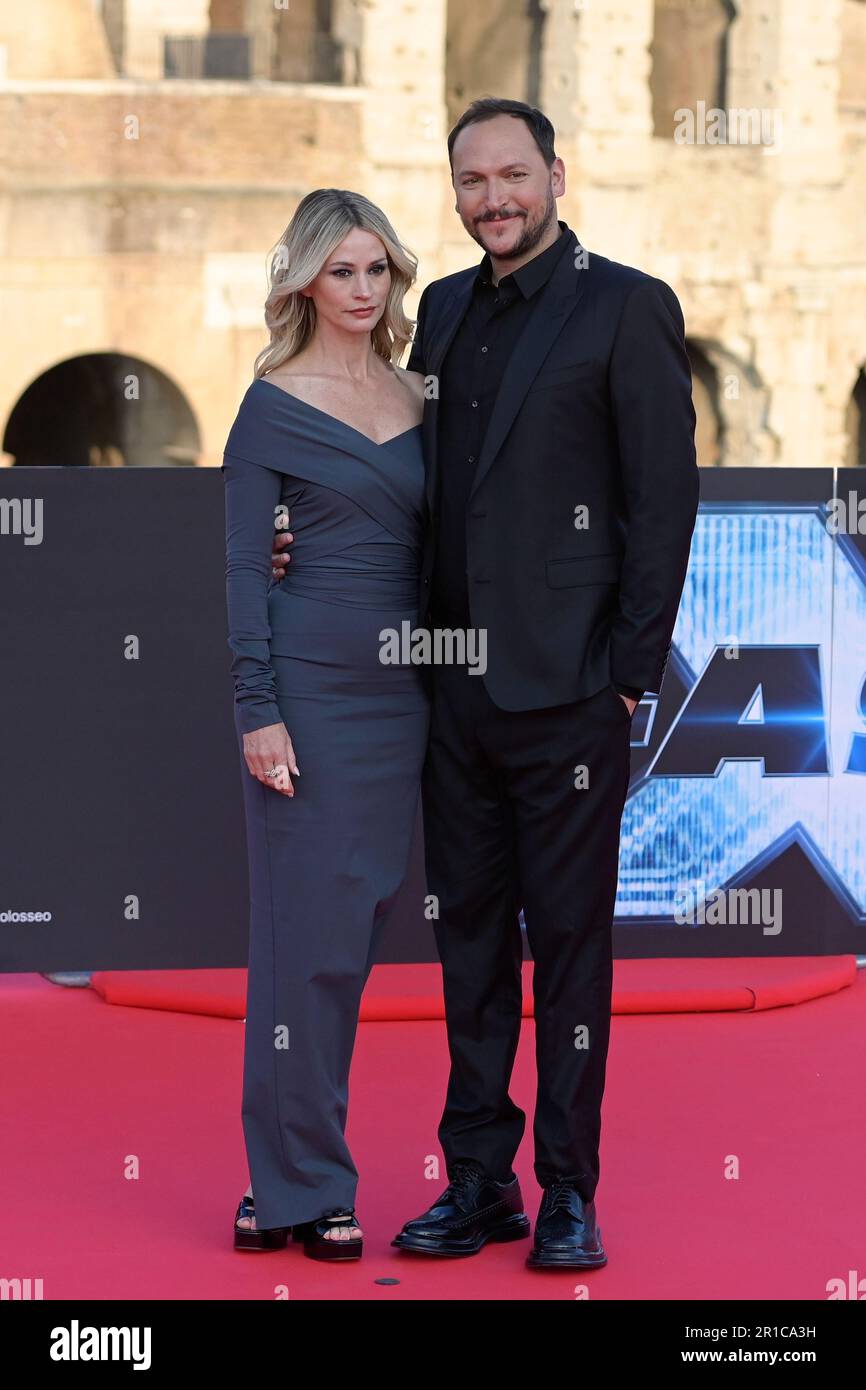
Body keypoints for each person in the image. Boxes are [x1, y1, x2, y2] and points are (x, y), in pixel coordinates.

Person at [272, 99, 700, 1269]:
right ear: (453, 194)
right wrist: (294, 532)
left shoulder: (624, 306)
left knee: (566, 949)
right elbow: (403, 475)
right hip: (449, 692)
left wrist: (623, 678)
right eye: (471, 182)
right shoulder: (446, 312)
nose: (491, 199)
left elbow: (662, 503)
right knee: (466, 949)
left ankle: (567, 1192)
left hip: (568, 697)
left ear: (555, 176)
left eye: (512, 176)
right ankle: (476, 1182)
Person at [223, 188, 429, 1260]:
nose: (361, 290)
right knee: (301, 950)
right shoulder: (270, 405)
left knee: (348, 946)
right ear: (304, 279)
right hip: (306, 697)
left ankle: (283, 1179)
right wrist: (258, 712)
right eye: (340, 270)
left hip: (412, 700)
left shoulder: (419, 395)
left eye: (376, 270)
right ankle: (303, 1183)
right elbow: (241, 572)